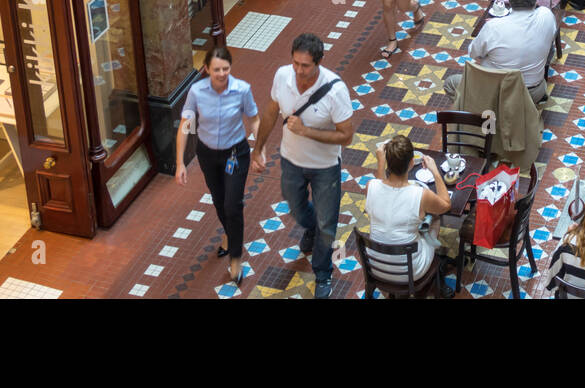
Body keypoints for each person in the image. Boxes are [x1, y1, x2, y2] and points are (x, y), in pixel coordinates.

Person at [255, 32, 355, 299]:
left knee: (326, 224)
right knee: (296, 207)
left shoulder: (336, 91)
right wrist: (259, 147)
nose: (299, 71)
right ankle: (308, 226)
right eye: (296, 63)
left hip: (325, 168)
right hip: (290, 161)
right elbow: (271, 110)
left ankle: (322, 274)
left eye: (306, 66)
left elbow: (347, 135)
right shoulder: (282, 76)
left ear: (319, 63)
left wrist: (307, 131)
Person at [175, 45, 260, 286]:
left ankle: (235, 258)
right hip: (208, 155)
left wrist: (260, 149)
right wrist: (180, 162)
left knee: (233, 204)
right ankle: (229, 234)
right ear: (206, 69)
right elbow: (185, 125)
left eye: (226, 69)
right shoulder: (196, 91)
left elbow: (253, 118)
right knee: (218, 199)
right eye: (216, 70)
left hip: (236, 153)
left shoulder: (242, 90)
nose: (222, 74)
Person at [448, 0, 557, 103]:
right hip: (533, 93)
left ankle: (480, 114)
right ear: (535, 0)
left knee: (450, 83)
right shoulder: (547, 15)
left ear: (509, 0)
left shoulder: (493, 27)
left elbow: (473, 53)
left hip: (495, 93)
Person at [364, 135, 451, 284]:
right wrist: (435, 171)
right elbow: (445, 205)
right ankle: (436, 256)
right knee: (435, 218)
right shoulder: (421, 194)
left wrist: (380, 162)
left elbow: (380, 185)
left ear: (387, 162)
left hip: (376, 265)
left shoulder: (370, 186)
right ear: (412, 163)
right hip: (410, 271)